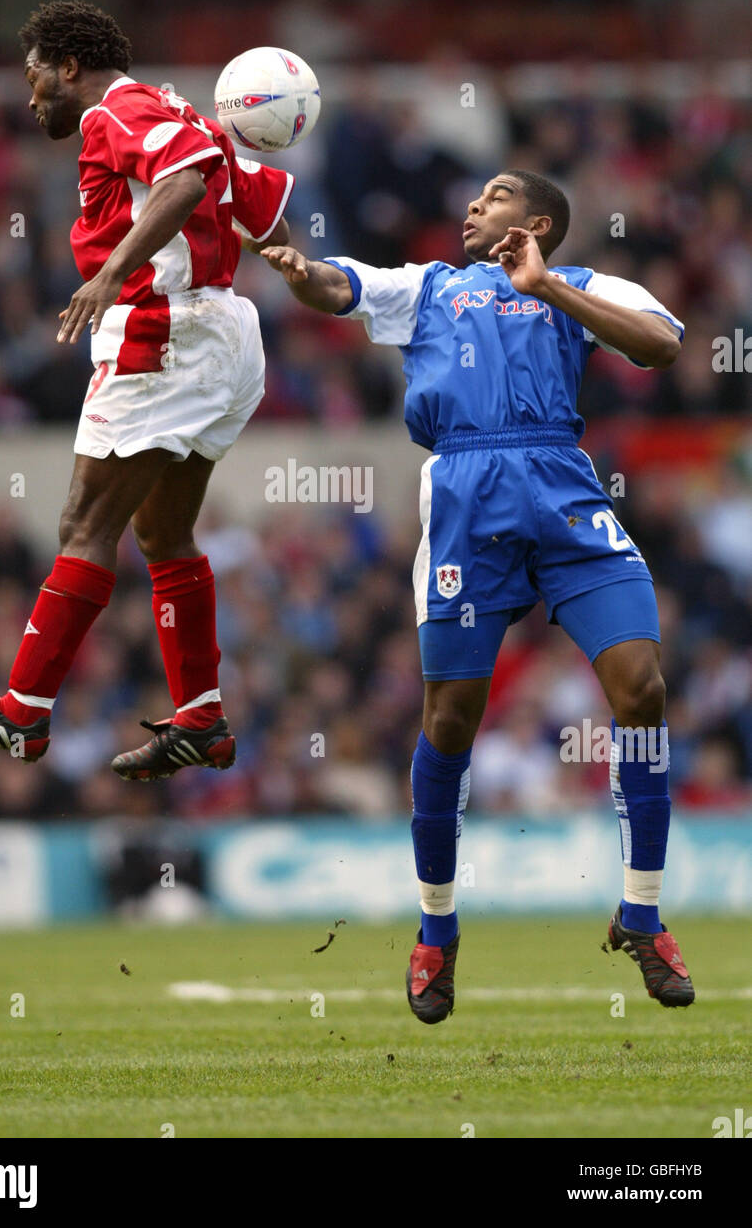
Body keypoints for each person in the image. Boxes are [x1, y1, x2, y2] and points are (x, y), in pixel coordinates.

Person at [261, 169, 694, 1019]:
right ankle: (436, 932)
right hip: (466, 492)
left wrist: (545, 292)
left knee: (642, 688)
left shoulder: (581, 284)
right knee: (450, 721)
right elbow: (341, 286)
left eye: (492, 195)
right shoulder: (430, 286)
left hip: (563, 486)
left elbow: (661, 345)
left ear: (538, 221)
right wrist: (300, 272)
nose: (470, 205)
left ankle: (641, 912)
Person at [0, 0, 293, 781]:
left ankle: (23, 711)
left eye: (34, 78)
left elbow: (191, 181)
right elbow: (262, 211)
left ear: (68, 65)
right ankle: (202, 718)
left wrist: (110, 271)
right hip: (224, 335)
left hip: (162, 329)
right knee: (163, 536)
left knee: (83, 523)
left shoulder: (116, 110)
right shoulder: (175, 106)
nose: (31, 100)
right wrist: (294, 265)